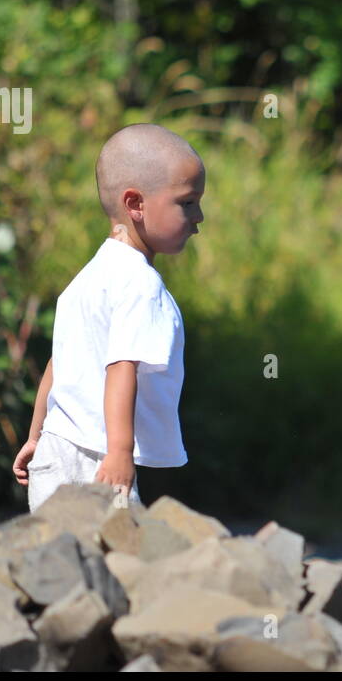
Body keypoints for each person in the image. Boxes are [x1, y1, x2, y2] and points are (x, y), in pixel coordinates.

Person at [12, 122, 205, 511]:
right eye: (186, 202)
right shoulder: (140, 284)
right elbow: (122, 367)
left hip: (54, 450)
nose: (199, 216)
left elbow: (59, 364)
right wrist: (119, 452)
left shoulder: (88, 277)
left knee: (59, 561)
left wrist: (35, 437)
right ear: (136, 204)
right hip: (97, 457)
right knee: (121, 559)